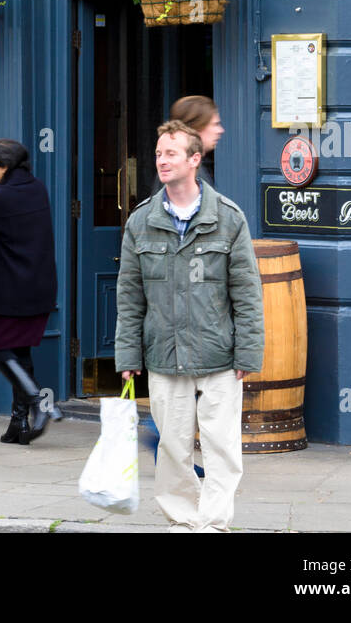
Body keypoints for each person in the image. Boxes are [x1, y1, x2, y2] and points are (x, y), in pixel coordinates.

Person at [115, 120, 264, 533]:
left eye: (171, 153)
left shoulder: (228, 219)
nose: (162, 160)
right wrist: (128, 355)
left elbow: (247, 293)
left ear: (194, 160)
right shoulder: (141, 222)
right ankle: (182, 520)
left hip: (218, 355)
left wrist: (248, 352)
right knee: (174, 448)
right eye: (159, 153)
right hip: (164, 355)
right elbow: (129, 295)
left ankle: (214, 523)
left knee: (221, 447)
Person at [0, 138, 60, 445]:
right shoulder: (37, 188)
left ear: (5, 166)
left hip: (10, 291)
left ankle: (39, 403)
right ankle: (19, 423)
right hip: (41, 288)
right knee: (21, 351)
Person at [169, 96, 223, 187]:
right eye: (215, 124)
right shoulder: (186, 172)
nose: (220, 130)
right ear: (197, 127)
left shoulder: (191, 168)